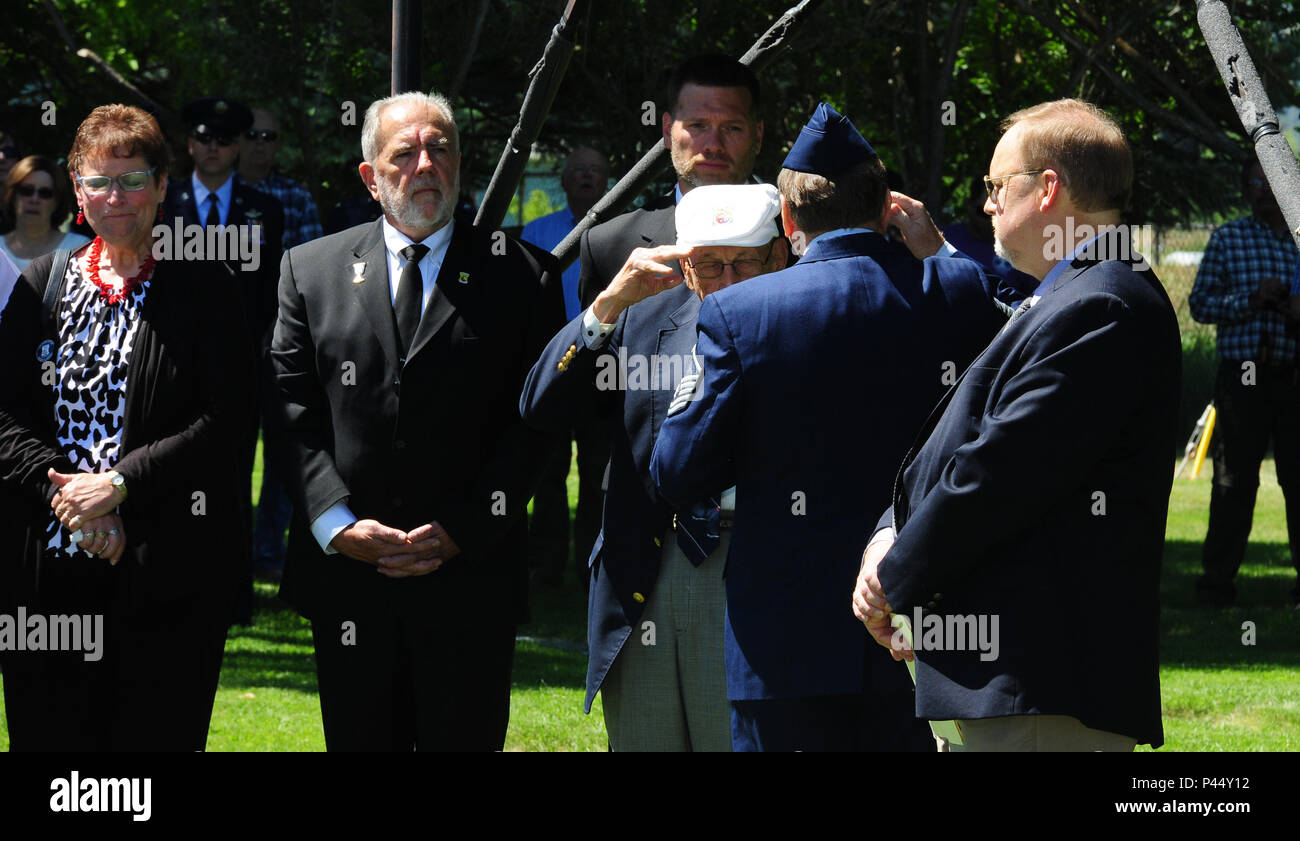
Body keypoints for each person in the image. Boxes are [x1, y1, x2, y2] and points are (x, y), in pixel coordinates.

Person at [650, 103, 1008, 751]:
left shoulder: (738, 311)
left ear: (789, 222)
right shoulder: (955, 291)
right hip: (917, 620)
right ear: (885, 210)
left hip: (783, 637)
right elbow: (1009, 331)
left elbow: (678, 469)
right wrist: (938, 249)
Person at [852, 99, 1181, 752]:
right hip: (1018, 684)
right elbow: (966, 446)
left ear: (1049, 187)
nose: (988, 205)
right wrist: (887, 537)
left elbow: (1000, 471)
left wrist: (894, 577)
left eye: (998, 186)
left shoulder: (1101, 304)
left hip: (1040, 684)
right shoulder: (1073, 294)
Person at [270, 90, 561, 751]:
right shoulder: (309, 272)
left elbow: (538, 426)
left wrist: (465, 528)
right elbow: (289, 409)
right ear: (371, 177)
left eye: (441, 149)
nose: (426, 164)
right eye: (405, 153)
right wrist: (335, 524)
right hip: (350, 583)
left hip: (470, 583)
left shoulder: (524, 277)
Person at [0, 103, 251, 750]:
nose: (117, 197)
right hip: (50, 578)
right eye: (98, 181)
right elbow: (5, 412)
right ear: (77, 192)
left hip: (167, 576)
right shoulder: (41, 284)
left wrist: (118, 486)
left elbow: (225, 419)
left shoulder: (206, 289)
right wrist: (71, 501)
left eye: (134, 180)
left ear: (162, 187)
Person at [522, 183, 787, 751]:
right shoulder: (644, 318)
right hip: (648, 570)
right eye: (709, 266)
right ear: (685, 267)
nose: (728, 281)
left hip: (756, 568)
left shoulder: (805, 321)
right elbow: (541, 405)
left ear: (779, 256)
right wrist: (607, 305)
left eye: (745, 263)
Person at [568, 53, 765, 601]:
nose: (713, 144)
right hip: (644, 546)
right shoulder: (611, 244)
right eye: (697, 126)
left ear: (758, 135)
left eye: (731, 127)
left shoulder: (797, 240)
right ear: (667, 130)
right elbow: (592, 401)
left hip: (770, 538)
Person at [162, 95, 285, 624]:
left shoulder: (265, 210)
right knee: (171, 475)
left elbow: (273, 295)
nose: (213, 148)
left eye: (225, 140)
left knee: (235, 477)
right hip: (171, 365)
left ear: (237, 148)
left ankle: (234, 594)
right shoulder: (163, 210)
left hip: (244, 366)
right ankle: (173, 582)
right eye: (204, 138)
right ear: (190, 144)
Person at [1190, 159, 1300, 608]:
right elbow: (1200, 304)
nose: (1260, 191)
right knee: (1234, 480)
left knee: (1298, 480)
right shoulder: (1228, 238)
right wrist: (1252, 301)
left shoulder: (1298, 242)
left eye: (1269, 182)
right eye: (1252, 183)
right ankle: (1217, 585)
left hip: (1293, 376)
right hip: (1242, 378)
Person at [238, 107, 325, 582]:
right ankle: (231, 548)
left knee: (282, 452)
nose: (259, 143)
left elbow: (310, 277)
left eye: (269, 136)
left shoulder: (293, 196)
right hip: (229, 343)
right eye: (250, 135)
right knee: (227, 450)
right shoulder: (224, 199)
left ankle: (270, 551)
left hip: (280, 343)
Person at [520, 146, 610, 587]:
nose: (587, 178)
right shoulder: (538, 232)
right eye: (579, 170)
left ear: (608, 179)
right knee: (548, 471)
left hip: (606, 367)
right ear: (564, 179)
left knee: (599, 472)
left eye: (595, 171)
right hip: (552, 364)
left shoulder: (618, 231)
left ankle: (592, 569)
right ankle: (545, 566)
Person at [1, 156, 91, 269]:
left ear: (57, 201)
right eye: (26, 191)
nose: (34, 199)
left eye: (45, 193)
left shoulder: (79, 249)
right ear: (12, 195)